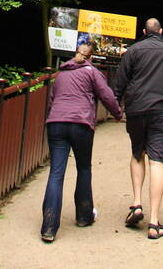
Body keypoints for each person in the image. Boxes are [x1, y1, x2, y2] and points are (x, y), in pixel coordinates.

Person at [112, 17, 163, 239]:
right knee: (157, 161)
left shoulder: (133, 51)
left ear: (144, 32)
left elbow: (120, 80)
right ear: (161, 30)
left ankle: (136, 204)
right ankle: (154, 222)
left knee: (137, 153)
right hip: (162, 112)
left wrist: (115, 105)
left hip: (136, 110)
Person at [40, 40, 122, 242]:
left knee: (56, 173)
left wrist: (54, 118)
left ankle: (49, 227)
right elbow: (107, 95)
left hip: (56, 123)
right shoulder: (91, 72)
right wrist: (118, 113)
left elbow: (53, 100)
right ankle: (84, 216)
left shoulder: (62, 74)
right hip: (81, 124)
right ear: (91, 56)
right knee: (83, 168)